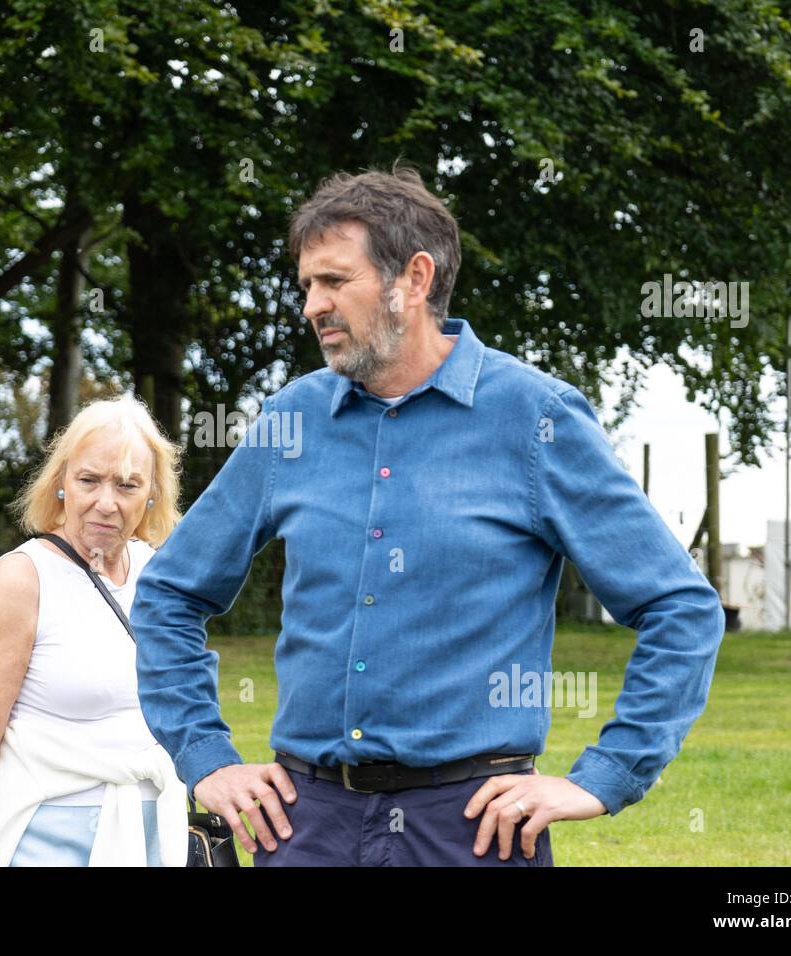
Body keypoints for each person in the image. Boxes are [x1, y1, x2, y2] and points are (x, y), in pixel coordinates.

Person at [130, 166, 726, 867]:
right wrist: (207, 755)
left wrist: (607, 776)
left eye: (333, 281)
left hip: (471, 831)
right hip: (304, 826)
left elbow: (681, 609)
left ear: (413, 279)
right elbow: (170, 592)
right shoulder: (292, 420)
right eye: (306, 285)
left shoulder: (535, 418)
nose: (311, 305)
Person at [0, 395, 189, 866]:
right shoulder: (22, 579)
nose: (106, 503)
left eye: (128, 485)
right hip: (46, 842)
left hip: (154, 837)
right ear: (61, 484)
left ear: (152, 492)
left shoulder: (156, 573)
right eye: (88, 480)